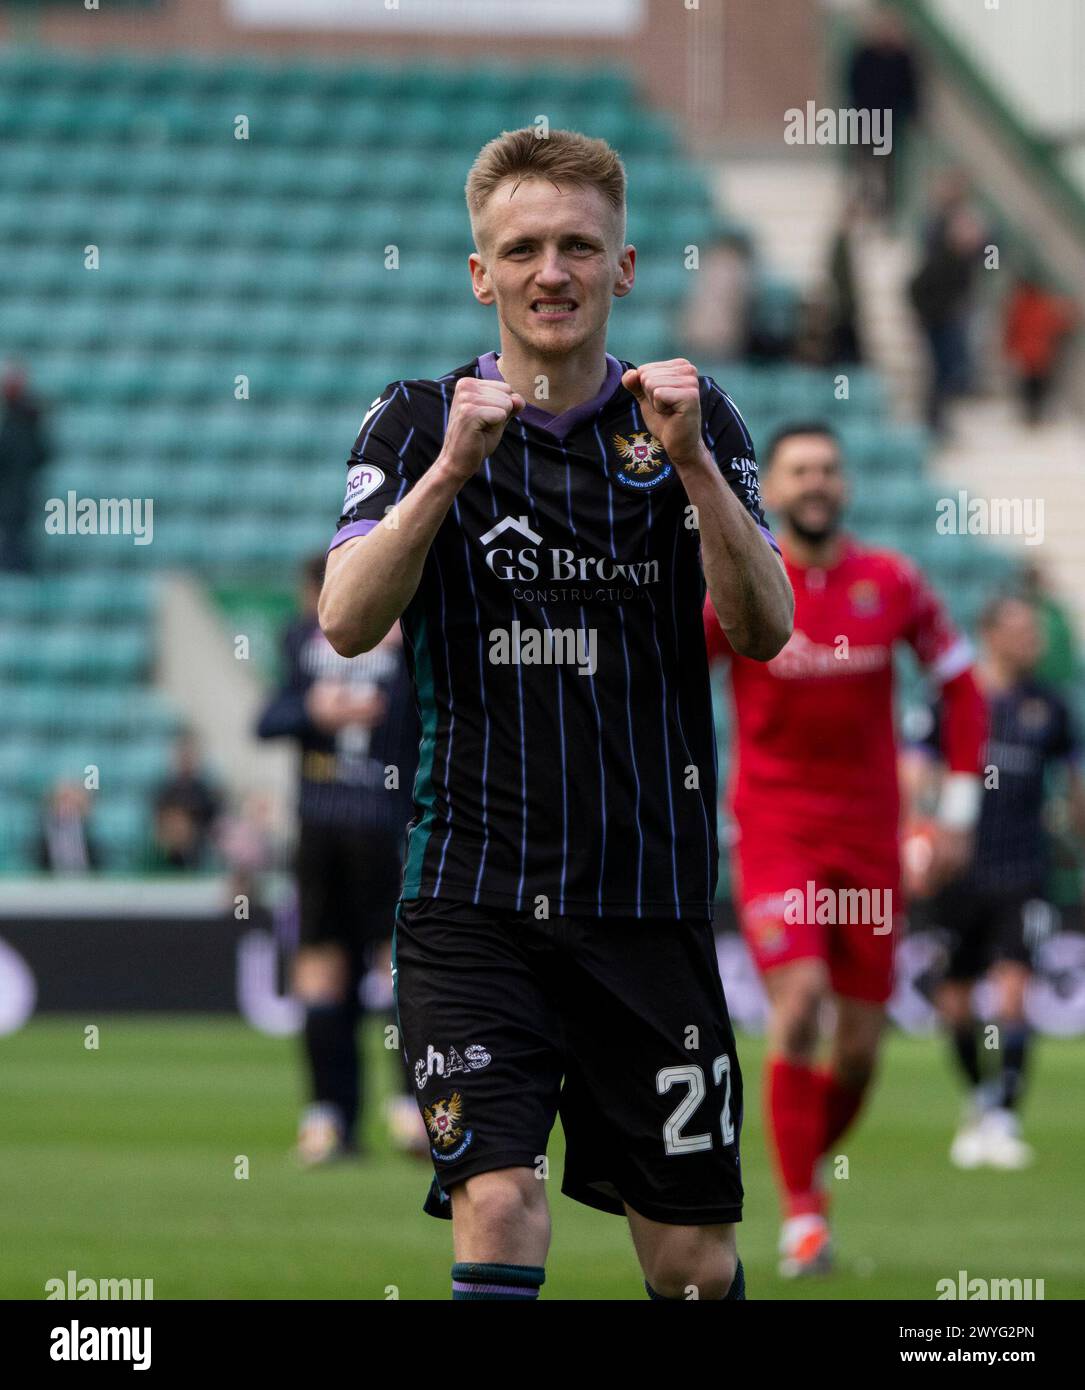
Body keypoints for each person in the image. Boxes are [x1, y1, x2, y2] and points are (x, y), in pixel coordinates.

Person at [319, 127, 793, 1302]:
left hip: (646, 900)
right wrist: (445, 480)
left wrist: (691, 471)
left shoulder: (694, 420)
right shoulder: (415, 421)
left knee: (687, 1260)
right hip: (470, 897)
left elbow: (764, 627)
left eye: (578, 246)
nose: (551, 271)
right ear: (480, 274)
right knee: (498, 1196)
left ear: (622, 268)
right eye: (521, 248)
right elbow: (343, 619)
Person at [704, 421, 987, 1277]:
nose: (816, 483)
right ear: (773, 491)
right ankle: (803, 1215)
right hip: (776, 830)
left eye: (828, 469)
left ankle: (795, 1163)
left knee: (859, 1048)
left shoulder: (890, 581)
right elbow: (676, 677)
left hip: (872, 840)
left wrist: (953, 813)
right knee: (799, 1007)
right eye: (799, 472)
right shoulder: (746, 585)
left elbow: (961, 685)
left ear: (846, 486)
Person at [904, 596, 1085, 1169]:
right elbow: (917, 777)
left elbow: (1075, 785)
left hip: (1023, 872)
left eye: (1035, 631)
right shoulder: (952, 703)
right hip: (959, 876)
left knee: (1012, 992)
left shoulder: (1049, 707)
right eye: (1022, 631)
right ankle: (981, 1101)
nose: (1033, 641)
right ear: (990, 633)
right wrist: (922, 840)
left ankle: (1003, 1114)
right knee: (955, 1005)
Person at [256, 554, 421, 1163]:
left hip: (386, 827)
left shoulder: (408, 637)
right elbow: (268, 719)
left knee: (392, 967)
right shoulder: (302, 638)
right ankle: (331, 1116)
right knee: (331, 968)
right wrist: (313, 713)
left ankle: (405, 1112)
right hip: (326, 829)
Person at [846, 9, 920, 220]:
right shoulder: (864, 55)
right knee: (863, 166)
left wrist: (911, 115)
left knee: (888, 171)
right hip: (866, 120)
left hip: (891, 124)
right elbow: (853, 84)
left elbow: (912, 90)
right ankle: (863, 206)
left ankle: (884, 212)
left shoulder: (903, 58)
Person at [1003, 272, 1077, 426]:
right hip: (1039, 354)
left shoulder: (1023, 304)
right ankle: (1034, 414)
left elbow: (1012, 329)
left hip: (1034, 354)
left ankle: (1033, 414)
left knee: (1032, 386)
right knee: (1036, 386)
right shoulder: (1041, 304)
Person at [0, 363, 50, 573]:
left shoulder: (20, 420)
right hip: (21, 488)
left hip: (16, 490)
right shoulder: (28, 418)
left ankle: (17, 569)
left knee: (15, 534)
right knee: (16, 533)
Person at [36, 781, 101, 873]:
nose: (67, 807)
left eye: (72, 802)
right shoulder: (41, 833)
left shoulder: (90, 833)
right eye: (62, 801)